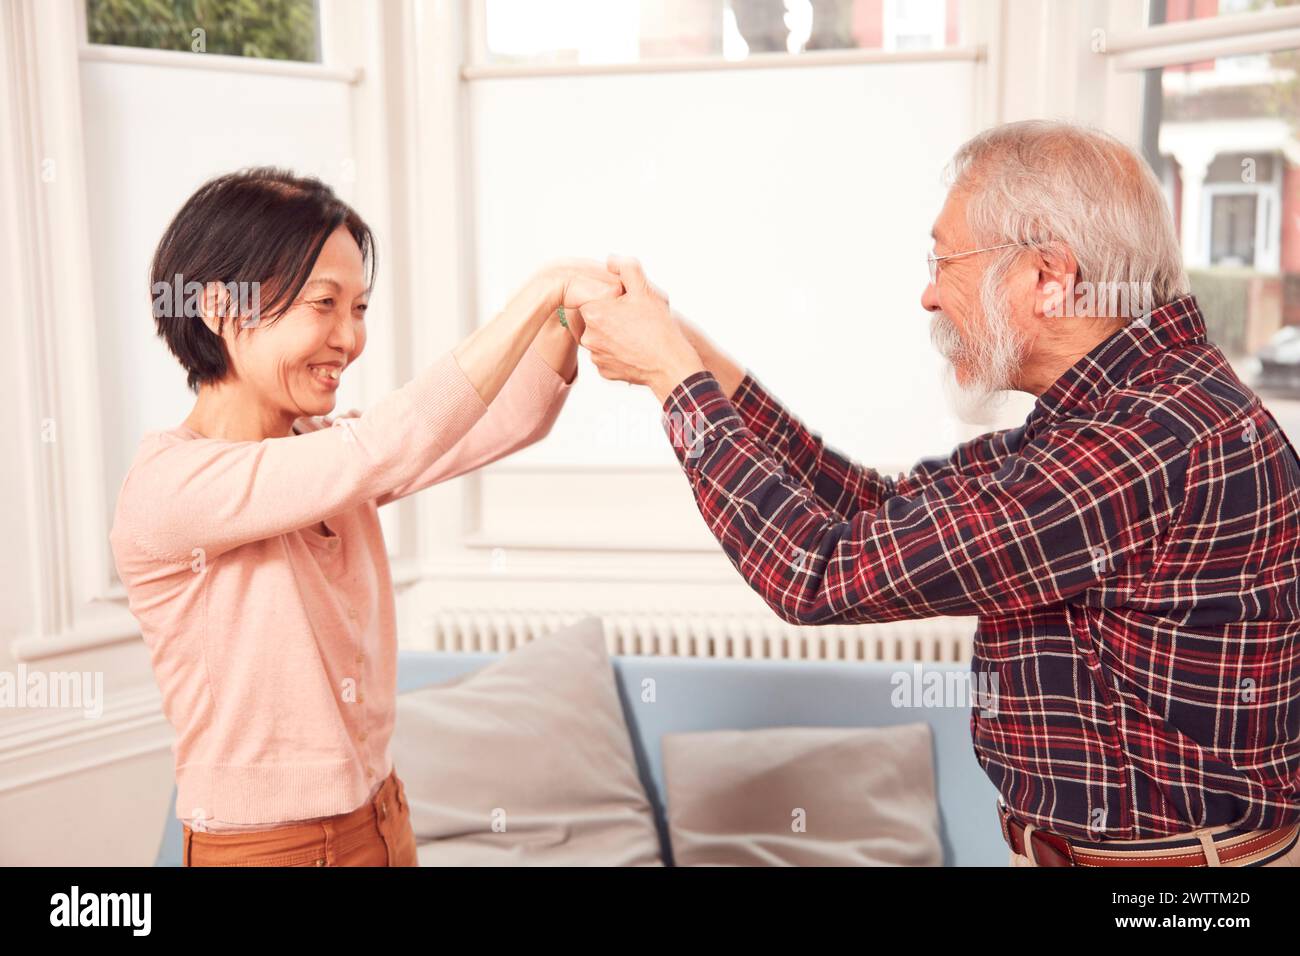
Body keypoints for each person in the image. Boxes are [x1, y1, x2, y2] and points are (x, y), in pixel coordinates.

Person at [578, 120, 1300, 867]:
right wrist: (683, 345)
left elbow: (817, 574)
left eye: (945, 260)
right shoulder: (1119, 406)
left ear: (1049, 278)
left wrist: (670, 379)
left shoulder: (1140, 445)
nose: (928, 294)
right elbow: (872, 510)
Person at [110, 167, 620, 866]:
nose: (349, 339)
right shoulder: (169, 486)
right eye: (325, 303)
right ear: (222, 310)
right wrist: (536, 295)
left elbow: (505, 419)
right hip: (267, 850)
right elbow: (382, 446)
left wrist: (568, 317)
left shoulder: (324, 456)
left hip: (382, 818)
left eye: (359, 308)